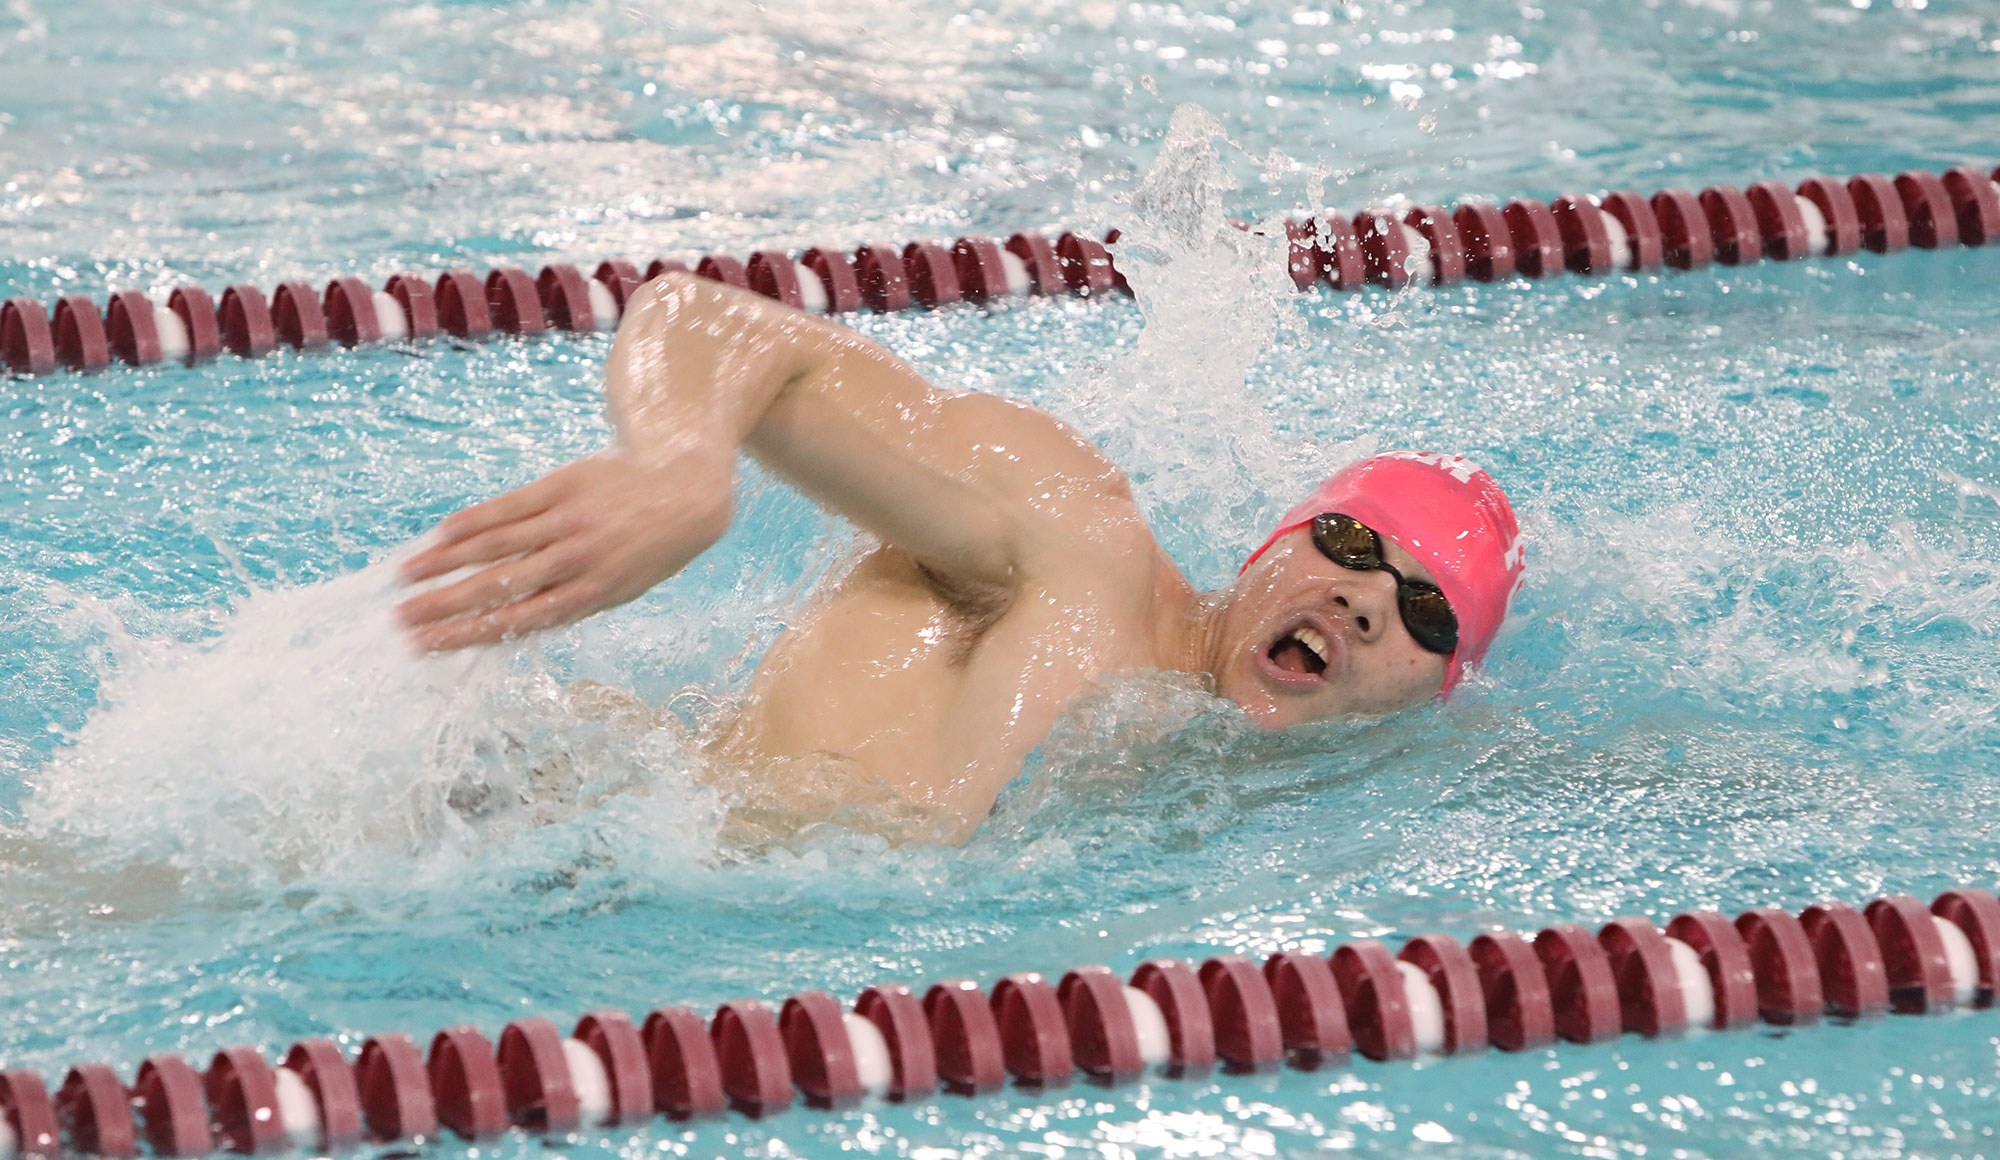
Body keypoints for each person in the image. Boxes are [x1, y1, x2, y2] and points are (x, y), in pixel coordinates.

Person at [397, 273, 1523, 844]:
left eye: (1426, 612)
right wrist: (682, 470)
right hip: (489, 807)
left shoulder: (1204, 783)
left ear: (1436, 692)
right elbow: (707, 321)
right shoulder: (1073, 546)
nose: (1362, 598)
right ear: (1271, 547)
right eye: (1344, 542)